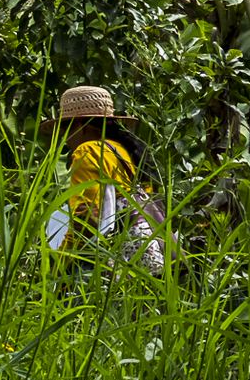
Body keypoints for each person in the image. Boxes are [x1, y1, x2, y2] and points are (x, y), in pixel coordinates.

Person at [41, 85, 165, 274]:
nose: (64, 138)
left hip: (108, 259)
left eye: (65, 127)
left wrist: (62, 261)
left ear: (82, 126)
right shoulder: (119, 150)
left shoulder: (89, 151)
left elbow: (87, 214)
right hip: (142, 252)